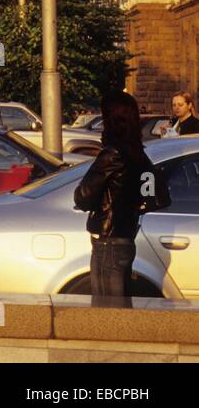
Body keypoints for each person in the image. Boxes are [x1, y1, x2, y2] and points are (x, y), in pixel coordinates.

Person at [73, 91, 166, 299]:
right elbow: (150, 195)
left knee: (108, 311)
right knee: (119, 307)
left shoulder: (112, 154)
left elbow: (82, 196)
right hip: (126, 239)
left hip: (108, 241)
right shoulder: (138, 154)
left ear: (111, 120)